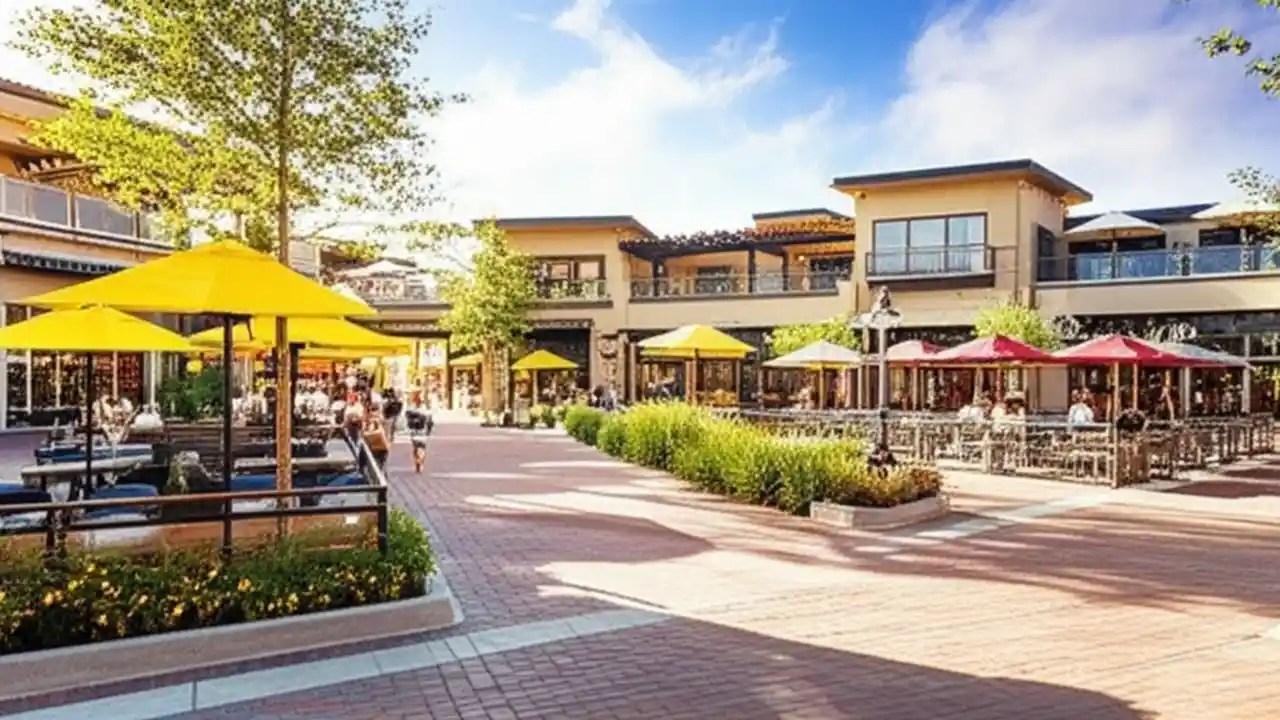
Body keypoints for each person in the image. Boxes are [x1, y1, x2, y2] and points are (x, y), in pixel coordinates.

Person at [405, 400, 433, 473]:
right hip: (423, 434)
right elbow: (430, 423)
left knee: (416, 448)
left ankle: (417, 462)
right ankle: (421, 462)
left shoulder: (412, 411)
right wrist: (428, 432)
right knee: (422, 448)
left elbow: (408, 422)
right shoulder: (426, 412)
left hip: (414, 434)